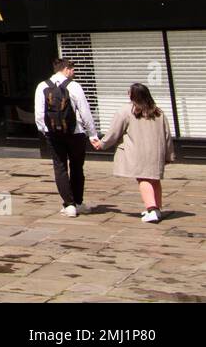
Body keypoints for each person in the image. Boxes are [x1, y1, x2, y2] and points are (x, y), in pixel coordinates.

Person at [93, 83, 175, 223]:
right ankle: (157, 209)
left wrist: (102, 144)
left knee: (143, 179)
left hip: (137, 152)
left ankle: (152, 209)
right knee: (154, 179)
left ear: (133, 95)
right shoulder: (158, 112)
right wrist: (169, 154)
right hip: (156, 152)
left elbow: (114, 132)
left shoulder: (126, 111)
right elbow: (167, 135)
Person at [34, 57, 99, 216]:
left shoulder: (42, 86)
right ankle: (78, 202)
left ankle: (68, 205)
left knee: (60, 167)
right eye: (73, 69)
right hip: (75, 133)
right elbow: (85, 112)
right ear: (66, 69)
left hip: (53, 134)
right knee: (77, 167)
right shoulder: (74, 86)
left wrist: (46, 131)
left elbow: (39, 115)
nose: (74, 72)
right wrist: (93, 134)